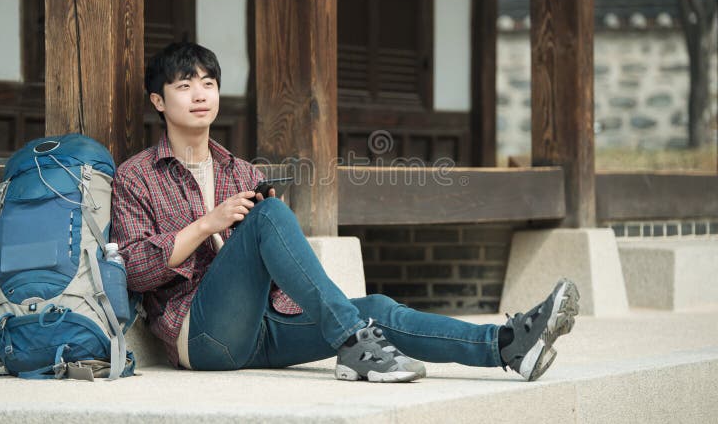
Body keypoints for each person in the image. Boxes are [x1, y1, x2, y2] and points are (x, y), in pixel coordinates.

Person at [110, 41, 579, 383]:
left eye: (208, 84)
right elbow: (133, 271)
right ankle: (353, 342)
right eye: (185, 85)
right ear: (159, 101)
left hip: (265, 326)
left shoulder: (241, 172)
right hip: (202, 336)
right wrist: (208, 224)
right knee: (269, 219)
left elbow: (273, 265)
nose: (199, 94)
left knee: (376, 309)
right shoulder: (136, 177)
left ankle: (506, 346)